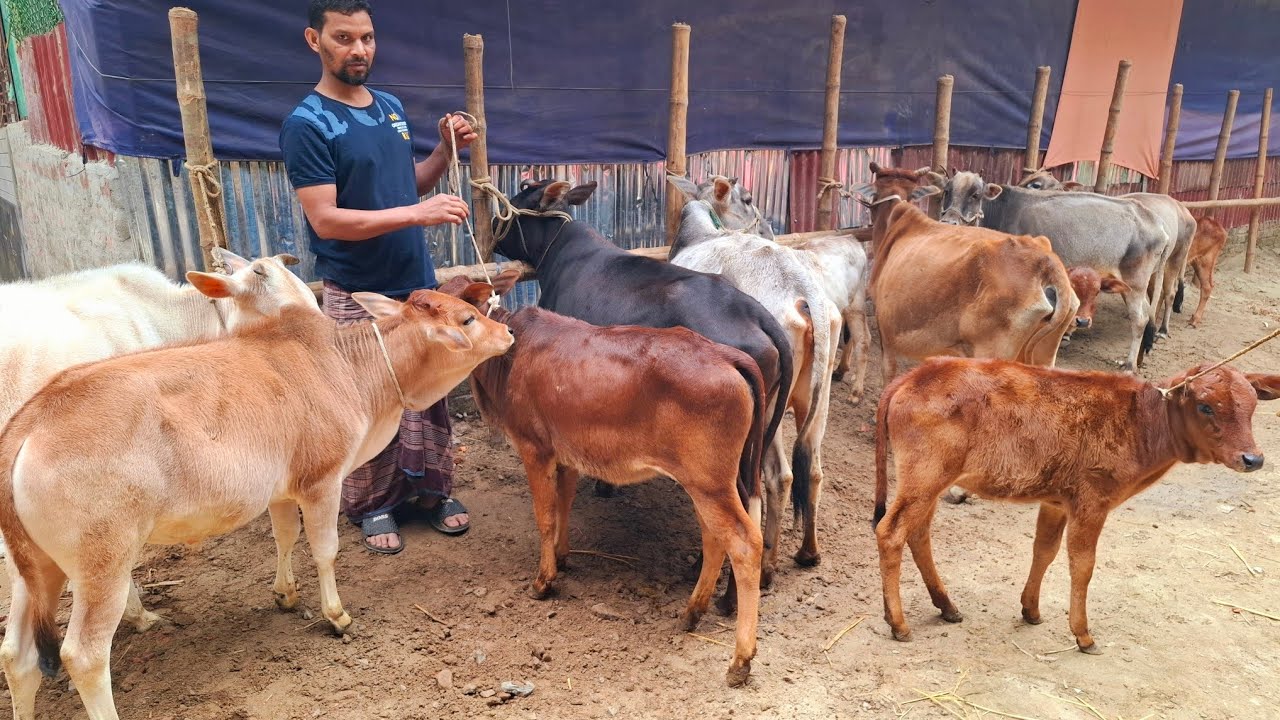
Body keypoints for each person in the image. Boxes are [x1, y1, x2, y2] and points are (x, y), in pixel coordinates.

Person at [280, 0, 478, 554]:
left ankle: (433, 493)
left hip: (415, 281)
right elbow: (326, 218)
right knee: (366, 399)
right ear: (313, 40)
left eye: (366, 37)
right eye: (343, 38)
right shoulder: (307, 124)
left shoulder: (389, 107)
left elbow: (407, 183)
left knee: (427, 393)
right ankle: (372, 504)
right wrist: (418, 215)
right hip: (357, 289)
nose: (359, 49)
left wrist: (445, 149)